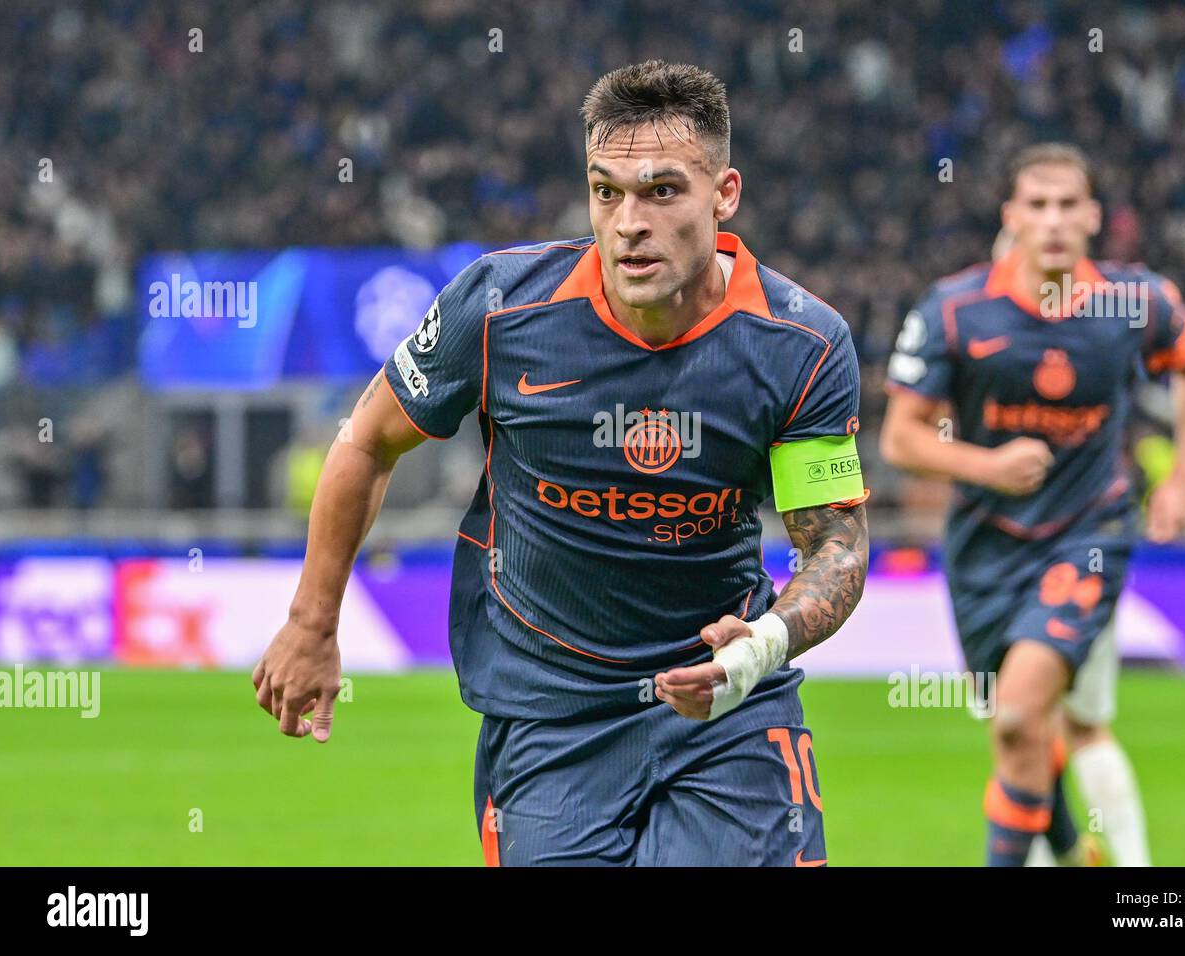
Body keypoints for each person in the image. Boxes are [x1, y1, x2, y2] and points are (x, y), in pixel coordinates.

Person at [254, 60, 870, 866]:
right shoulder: (503, 309)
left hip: (724, 710)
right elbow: (367, 439)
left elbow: (836, 543)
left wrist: (760, 646)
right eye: (606, 191)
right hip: (549, 716)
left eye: (661, 191)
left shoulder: (801, 346)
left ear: (724, 197)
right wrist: (311, 622)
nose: (627, 223)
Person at [880, 143, 1185, 866]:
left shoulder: (1134, 302)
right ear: (1011, 217)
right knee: (1018, 729)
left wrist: (1184, 476)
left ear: (1095, 215)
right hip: (985, 543)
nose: (1055, 220)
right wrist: (987, 465)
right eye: (1038, 205)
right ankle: (1068, 848)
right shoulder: (956, 311)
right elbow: (903, 439)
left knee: (1028, 710)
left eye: (1070, 204)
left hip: (1086, 534)